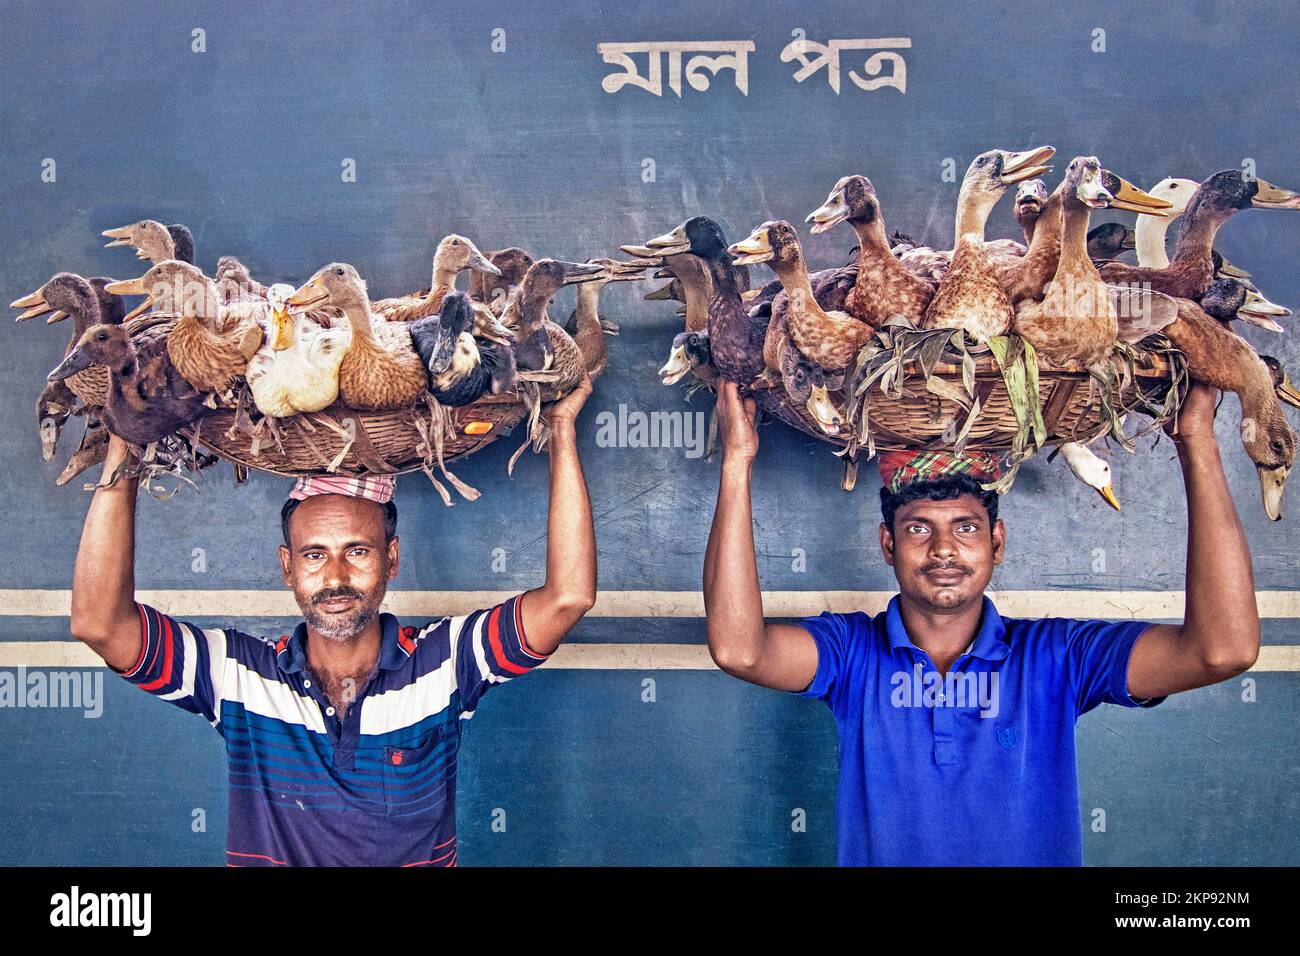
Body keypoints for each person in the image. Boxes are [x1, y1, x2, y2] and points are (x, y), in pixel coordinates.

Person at [702, 379, 1260, 866]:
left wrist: (1198, 444)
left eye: (966, 528)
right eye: (919, 529)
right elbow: (739, 649)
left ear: (996, 542)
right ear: (887, 544)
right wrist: (737, 462)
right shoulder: (853, 652)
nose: (944, 549)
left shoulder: (1058, 656)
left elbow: (1223, 650)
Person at [68, 377, 597, 866]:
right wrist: (125, 441)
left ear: (391, 559)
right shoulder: (237, 675)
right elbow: (100, 623)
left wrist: (562, 431)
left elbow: (567, 598)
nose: (336, 577)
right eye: (315, 555)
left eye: (358, 552)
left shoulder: (446, 662)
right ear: (288, 567)